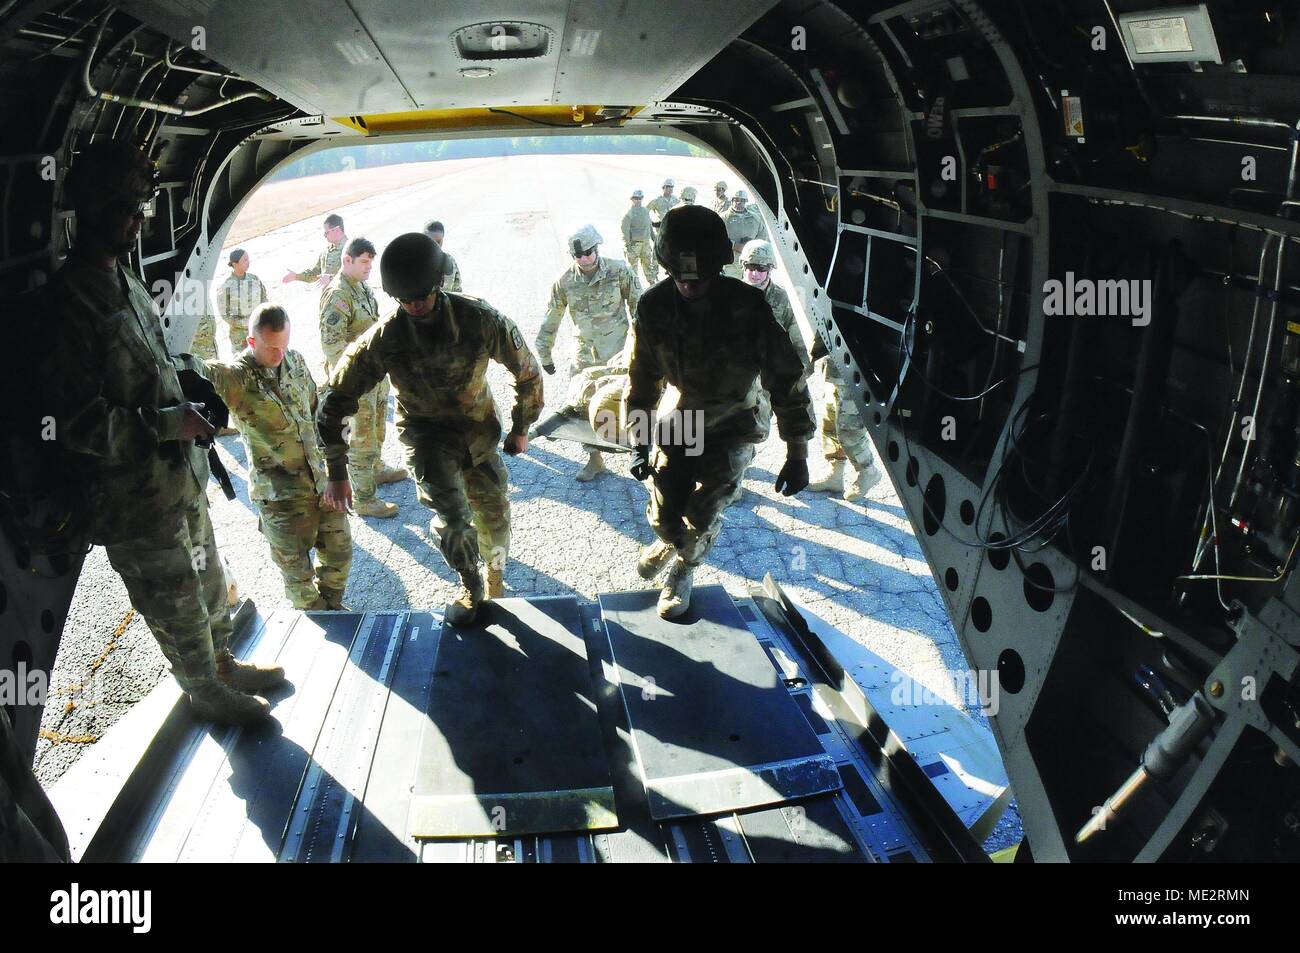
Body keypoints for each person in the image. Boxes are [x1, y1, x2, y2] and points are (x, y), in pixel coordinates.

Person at [42, 138, 280, 725]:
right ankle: (204, 690)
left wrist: (185, 383)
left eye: (142, 207)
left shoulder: (119, 278)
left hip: (177, 481)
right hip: (134, 503)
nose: (138, 220)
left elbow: (145, 364)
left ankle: (222, 663)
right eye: (128, 209)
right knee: (172, 603)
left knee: (206, 582)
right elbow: (70, 424)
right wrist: (161, 423)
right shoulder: (68, 303)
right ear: (91, 209)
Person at [318, 233, 543, 626]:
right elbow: (334, 402)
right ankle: (470, 582)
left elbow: (527, 371)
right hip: (427, 439)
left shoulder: (479, 319)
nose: (415, 307)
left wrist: (521, 427)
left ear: (438, 284)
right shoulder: (386, 338)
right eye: (405, 301)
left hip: (478, 434)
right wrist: (337, 473)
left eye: (421, 296)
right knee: (453, 523)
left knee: (494, 517)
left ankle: (495, 573)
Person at [626, 206, 813, 619]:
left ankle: (684, 566)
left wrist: (797, 453)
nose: (690, 286)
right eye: (681, 277)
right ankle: (669, 539)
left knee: (700, 515)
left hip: (735, 424)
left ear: (719, 265)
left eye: (701, 277)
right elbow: (641, 380)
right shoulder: (654, 307)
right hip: (684, 420)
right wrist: (639, 442)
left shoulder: (748, 307)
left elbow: (787, 380)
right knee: (663, 515)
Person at [201, 303, 353, 610]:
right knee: (297, 577)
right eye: (272, 348)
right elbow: (189, 368)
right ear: (252, 342)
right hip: (280, 497)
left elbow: (315, 411)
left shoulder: (294, 360)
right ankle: (318, 618)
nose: (279, 355)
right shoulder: (236, 378)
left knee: (340, 553)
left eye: (284, 345)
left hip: (320, 484)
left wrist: (337, 469)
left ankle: (333, 609)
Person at [535, 225, 642, 481]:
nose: (584, 259)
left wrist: (646, 349)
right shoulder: (565, 281)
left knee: (629, 405)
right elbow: (552, 318)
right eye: (578, 256)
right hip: (584, 357)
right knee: (582, 408)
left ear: (597, 248)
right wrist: (545, 354)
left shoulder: (619, 272)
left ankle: (637, 452)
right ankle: (595, 460)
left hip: (619, 354)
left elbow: (641, 310)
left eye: (588, 253)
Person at [319, 236, 408, 519]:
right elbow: (332, 346)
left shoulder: (361, 289)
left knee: (377, 430)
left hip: (375, 377)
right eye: (365, 261)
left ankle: (376, 469)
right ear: (348, 260)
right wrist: (356, 381)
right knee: (359, 439)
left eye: (371, 261)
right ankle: (364, 498)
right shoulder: (338, 295)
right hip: (356, 383)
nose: (370, 267)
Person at [807, 336, 885, 501]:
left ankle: (868, 471)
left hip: (857, 362)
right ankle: (836, 473)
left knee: (849, 428)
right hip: (836, 355)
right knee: (831, 417)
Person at [215, 247, 268, 355]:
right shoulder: (226, 286)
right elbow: (225, 314)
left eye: (248, 259)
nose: (248, 262)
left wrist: (261, 320)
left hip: (258, 331)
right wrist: (245, 323)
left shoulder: (255, 279)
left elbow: (264, 301)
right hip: (239, 337)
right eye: (245, 260)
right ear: (234, 263)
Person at [283, 213, 345, 287]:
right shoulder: (326, 252)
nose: (324, 235)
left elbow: (357, 276)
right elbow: (315, 273)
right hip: (330, 296)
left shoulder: (352, 249)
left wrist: (331, 278)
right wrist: (296, 276)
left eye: (327, 232)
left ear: (337, 230)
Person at [722, 189, 765, 277]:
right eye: (736, 200)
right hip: (730, 263)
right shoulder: (723, 218)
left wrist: (751, 246)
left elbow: (763, 238)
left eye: (742, 200)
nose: (739, 203)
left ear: (745, 202)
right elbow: (716, 238)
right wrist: (734, 245)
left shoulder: (755, 218)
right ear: (732, 201)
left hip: (750, 262)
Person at [621, 189, 657, 285]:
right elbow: (625, 231)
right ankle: (635, 289)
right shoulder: (629, 214)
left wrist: (655, 239)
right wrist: (628, 246)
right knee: (633, 270)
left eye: (640, 198)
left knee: (648, 266)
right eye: (636, 198)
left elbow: (649, 226)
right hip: (634, 245)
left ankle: (652, 285)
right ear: (632, 199)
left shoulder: (645, 211)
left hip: (645, 245)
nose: (638, 200)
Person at [423, 219, 463, 292]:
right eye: (432, 241)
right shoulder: (415, 260)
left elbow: (457, 291)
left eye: (438, 241)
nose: (436, 245)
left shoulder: (450, 261)